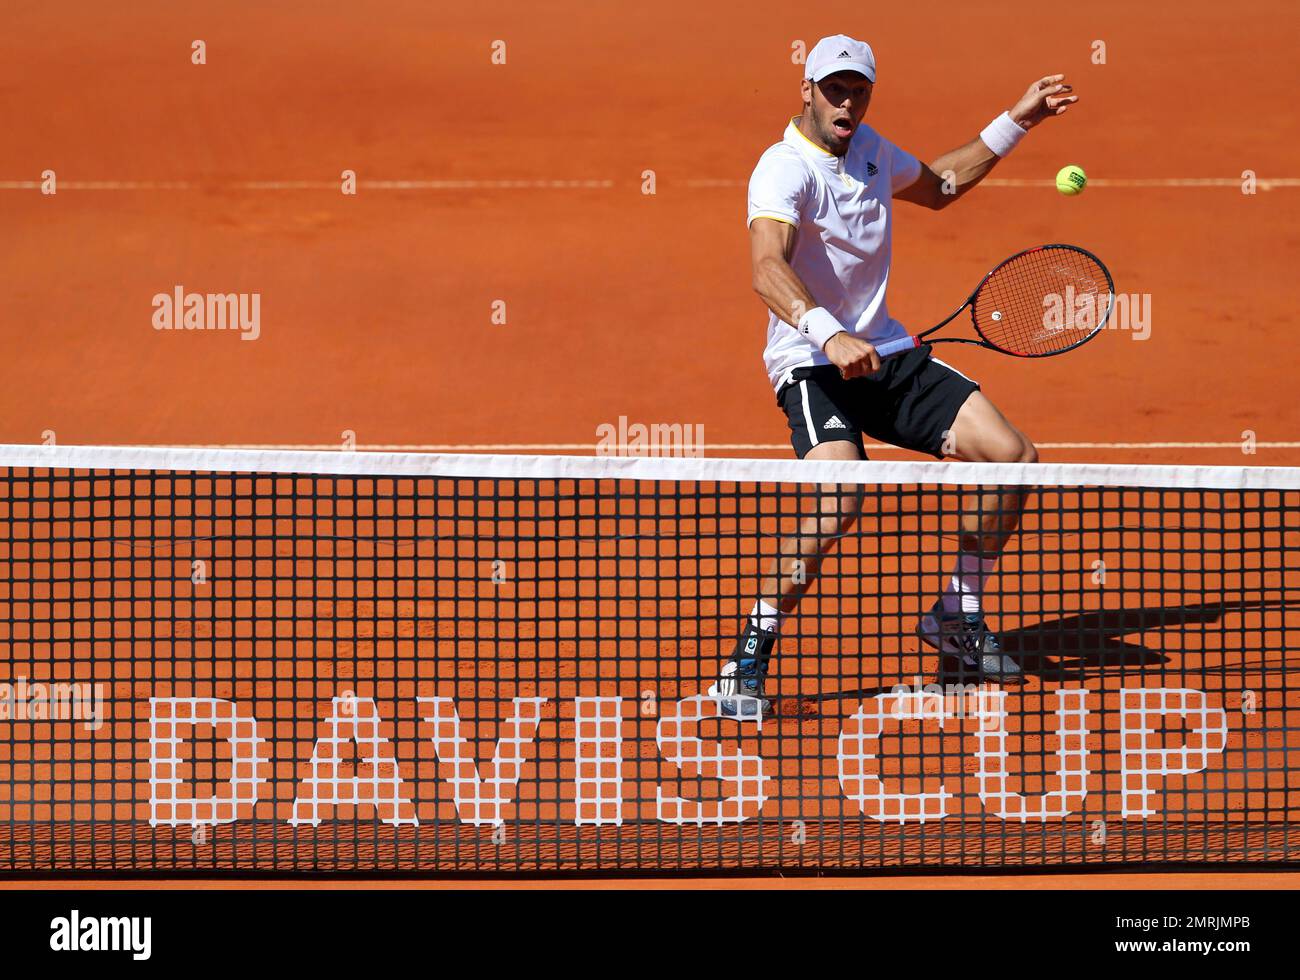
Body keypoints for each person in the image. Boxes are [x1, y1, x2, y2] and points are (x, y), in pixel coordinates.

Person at [709, 34, 1078, 719]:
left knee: (1012, 458)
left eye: (858, 90)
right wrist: (828, 332)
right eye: (834, 90)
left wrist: (1018, 119)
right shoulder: (782, 169)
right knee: (840, 497)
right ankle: (747, 657)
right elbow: (767, 266)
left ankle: (955, 618)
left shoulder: (873, 148)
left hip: (883, 350)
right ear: (807, 91)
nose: (847, 103)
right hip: (812, 361)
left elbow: (939, 186)